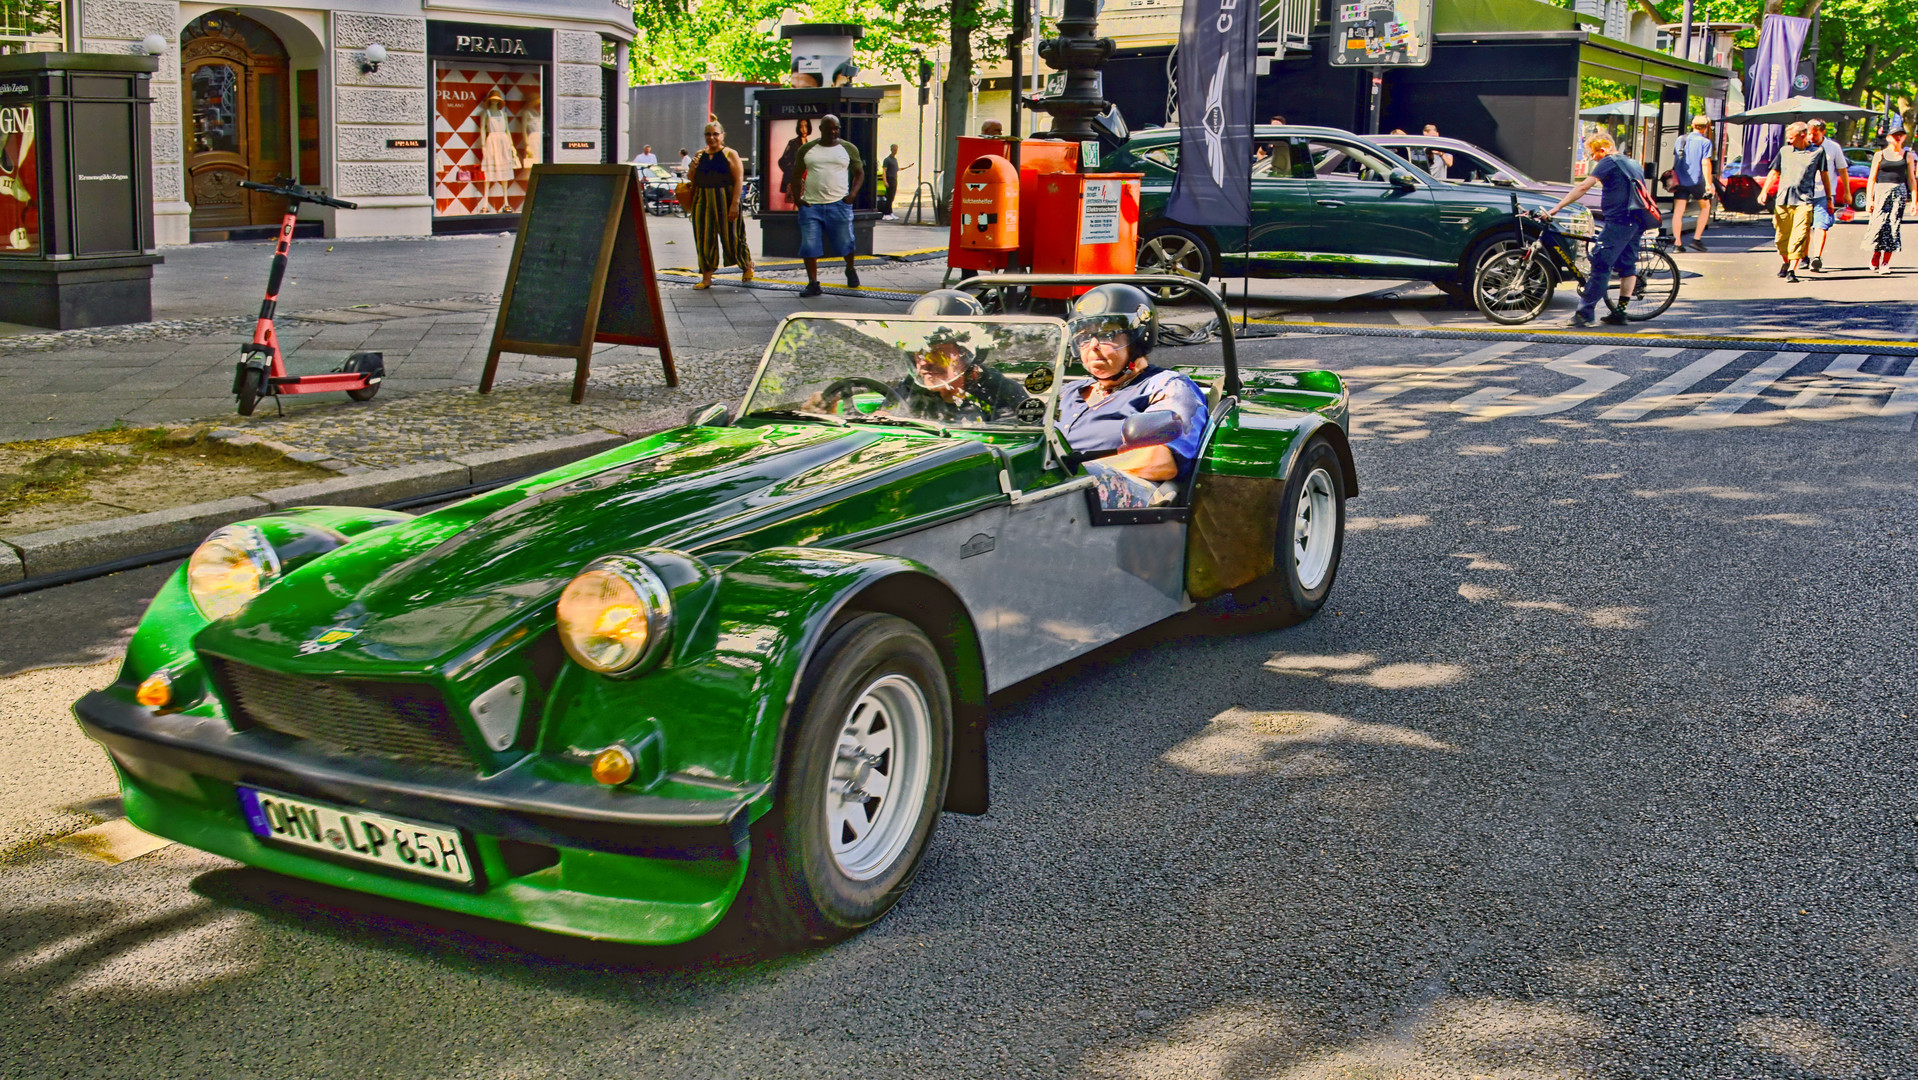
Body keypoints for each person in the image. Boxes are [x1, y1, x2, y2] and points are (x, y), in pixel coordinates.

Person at [1058, 284, 1210, 509]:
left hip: (1094, 502)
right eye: (1083, 338)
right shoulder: (1070, 389)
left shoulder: (1166, 386)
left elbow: (1162, 460)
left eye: (1106, 335)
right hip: (1044, 490)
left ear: (1138, 338)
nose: (1092, 347)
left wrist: (1071, 474)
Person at [1544, 133, 1647, 326]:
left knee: (1600, 264)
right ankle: (1620, 312)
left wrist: (1557, 207)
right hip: (1636, 220)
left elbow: (1583, 187)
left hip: (1619, 221)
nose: (1593, 158)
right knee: (1627, 266)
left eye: (1594, 153)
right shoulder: (1632, 163)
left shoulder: (1609, 161)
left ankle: (1584, 313)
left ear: (1604, 149)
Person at [785, 113, 864, 297]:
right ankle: (813, 283)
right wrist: (798, 200)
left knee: (846, 241)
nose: (833, 132)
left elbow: (859, 173)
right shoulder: (807, 149)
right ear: (820, 129)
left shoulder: (848, 148)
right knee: (809, 244)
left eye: (836, 128)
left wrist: (851, 195)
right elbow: (796, 176)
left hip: (839, 203)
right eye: (829, 129)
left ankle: (850, 268)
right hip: (812, 205)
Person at [1766, 122, 1836, 282]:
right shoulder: (1784, 151)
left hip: (1804, 202)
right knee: (1780, 239)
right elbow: (1774, 172)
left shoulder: (1817, 152)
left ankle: (1792, 270)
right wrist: (1764, 192)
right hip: (1783, 201)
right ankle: (1786, 263)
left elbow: (1825, 176)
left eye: (1792, 137)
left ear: (1803, 135)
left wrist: (1829, 198)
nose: (1789, 141)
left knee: (1798, 237)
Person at [687, 121, 753, 290]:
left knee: (733, 236)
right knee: (704, 237)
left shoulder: (730, 153)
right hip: (702, 198)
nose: (712, 138)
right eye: (708, 134)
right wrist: (692, 168)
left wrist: (735, 203)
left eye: (715, 134)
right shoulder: (700, 155)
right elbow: (692, 179)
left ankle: (746, 265)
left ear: (723, 135)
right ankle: (707, 277)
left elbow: (739, 180)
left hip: (725, 198)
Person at [1864, 123, 1916, 274]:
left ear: (1904, 137)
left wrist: (1914, 201)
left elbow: (1912, 179)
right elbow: (1872, 179)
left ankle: (1886, 262)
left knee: (1893, 225)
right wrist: (1870, 199)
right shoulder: (1879, 155)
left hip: (1899, 192)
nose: (1898, 138)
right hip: (1881, 191)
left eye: (1901, 135)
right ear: (1888, 138)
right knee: (1879, 225)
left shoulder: (1908, 156)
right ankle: (1876, 255)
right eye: (1895, 135)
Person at [1807, 118, 1851, 271]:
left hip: (1825, 194)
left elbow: (1842, 170)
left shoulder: (1833, 147)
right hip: (1804, 193)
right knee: (1804, 227)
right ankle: (1803, 256)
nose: (1812, 137)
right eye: (1809, 134)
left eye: (1815, 134)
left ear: (1823, 132)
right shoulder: (1803, 146)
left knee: (1820, 225)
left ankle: (1816, 257)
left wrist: (1847, 191)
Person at [1671, 115, 1714, 252]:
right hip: (1697, 180)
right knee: (1705, 206)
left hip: (1680, 179)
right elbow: (1705, 162)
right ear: (1706, 128)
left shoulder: (1681, 139)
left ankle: (1677, 243)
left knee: (1678, 211)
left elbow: (1677, 157)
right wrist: (1708, 183)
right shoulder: (1705, 142)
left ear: (1692, 125)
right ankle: (1696, 239)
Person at [881, 144, 901, 219]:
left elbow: (896, 169)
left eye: (896, 149)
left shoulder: (895, 160)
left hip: (894, 179)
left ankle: (890, 212)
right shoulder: (887, 160)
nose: (895, 151)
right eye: (894, 149)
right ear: (891, 149)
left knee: (892, 197)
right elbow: (884, 171)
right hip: (889, 179)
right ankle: (886, 214)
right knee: (889, 197)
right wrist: (885, 181)